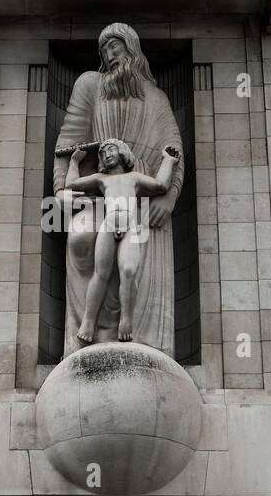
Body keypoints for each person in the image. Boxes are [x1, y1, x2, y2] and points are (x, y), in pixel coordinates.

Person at [56, 140, 181, 344]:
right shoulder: (101, 179)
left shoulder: (134, 178)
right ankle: (88, 321)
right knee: (101, 273)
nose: (107, 154)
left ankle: (126, 320)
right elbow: (71, 184)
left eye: (111, 149)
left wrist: (168, 161)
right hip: (108, 225)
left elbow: (161, 185)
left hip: (130, 226)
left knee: (129, 270)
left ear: (122, 152)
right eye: (103, 152)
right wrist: (74, 161)